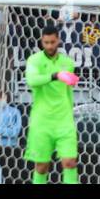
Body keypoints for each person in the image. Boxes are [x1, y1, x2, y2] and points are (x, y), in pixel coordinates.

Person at [24, 23, 81, 184]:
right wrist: (55, 75)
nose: (49, 46)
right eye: (46, 42)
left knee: (70, 162)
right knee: (41, 166)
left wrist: (70, 113)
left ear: (58, 41)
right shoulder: (34, 60)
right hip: (42, 121)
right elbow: (32, 80)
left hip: (63, 120)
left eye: (52, 42)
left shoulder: (67, 62)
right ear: (42, 42)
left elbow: (67, 92)